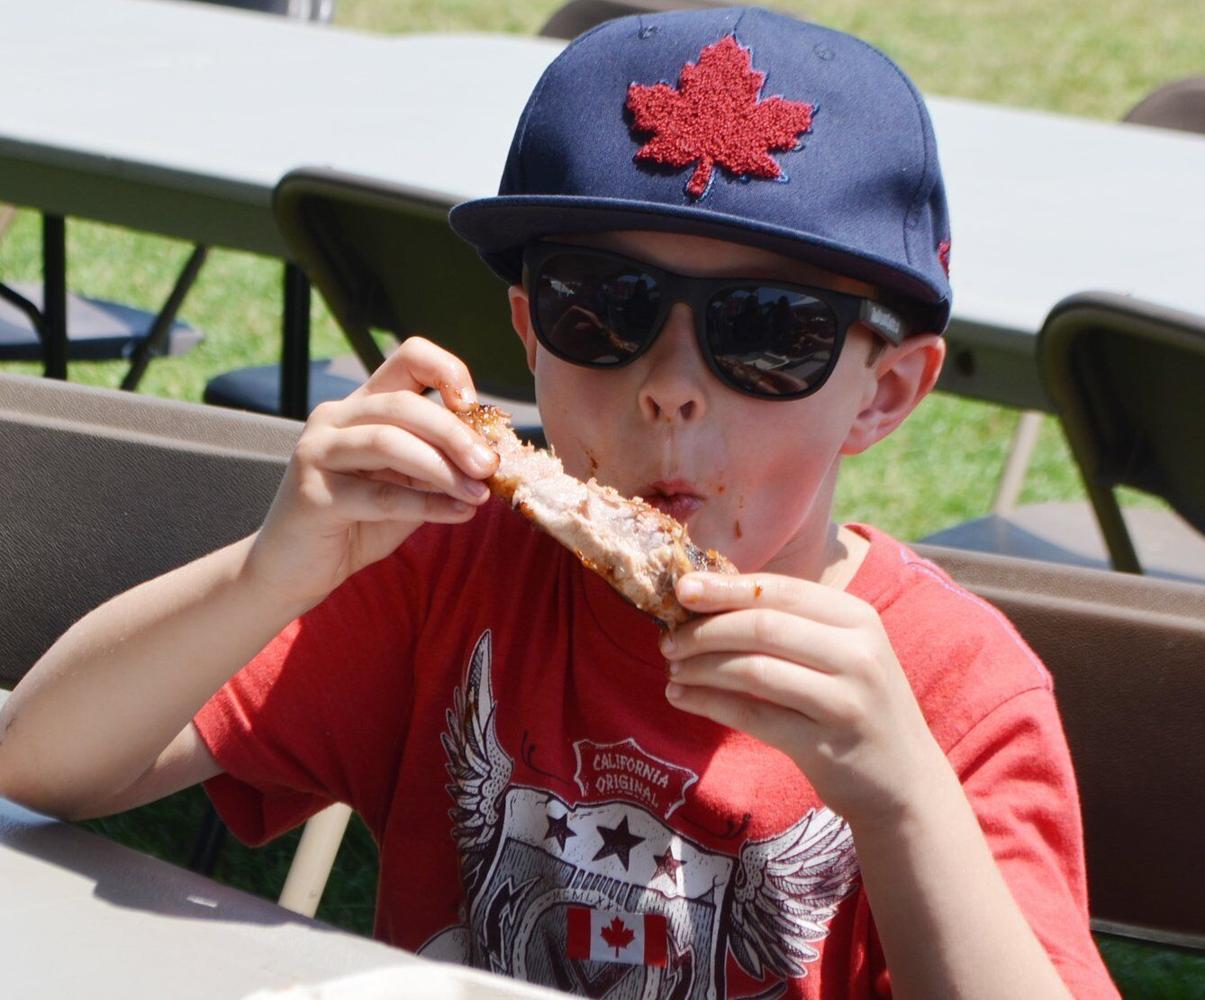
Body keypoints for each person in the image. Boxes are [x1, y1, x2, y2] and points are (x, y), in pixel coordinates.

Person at [0, 7, 1119, 998]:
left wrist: (903, 800)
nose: (669, 388)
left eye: (768, 330)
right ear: (529, 332)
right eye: (606, 305)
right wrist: (271, 574)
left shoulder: (949, 694)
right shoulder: (447, 566)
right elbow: (38, 765)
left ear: (883, 391)